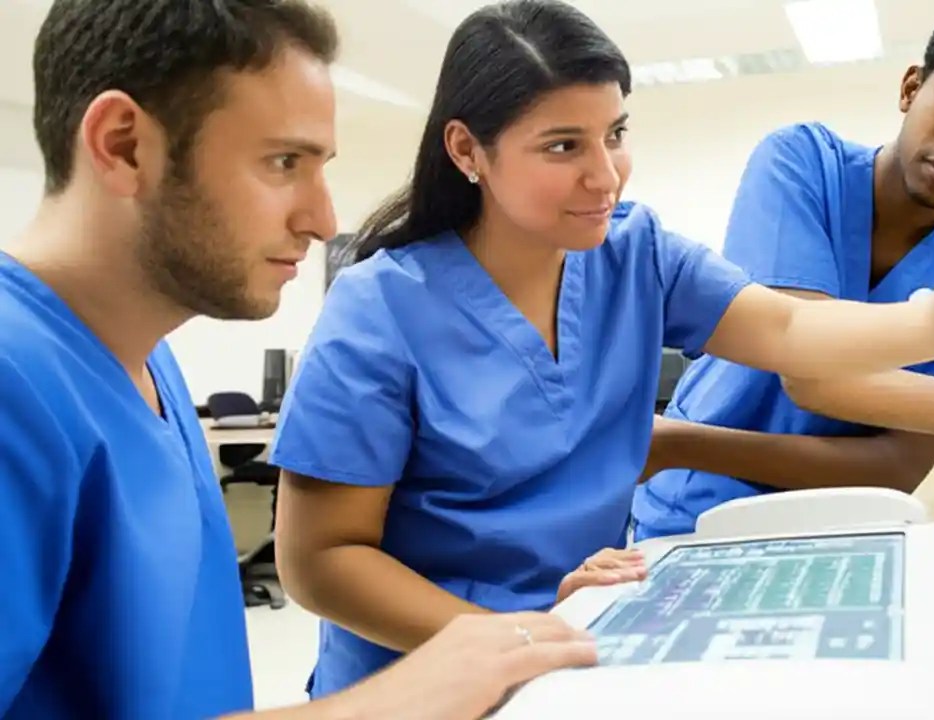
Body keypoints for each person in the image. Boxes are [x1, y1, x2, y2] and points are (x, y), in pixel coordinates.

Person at [268, 0, 934, 700]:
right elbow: (320, 559)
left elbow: (791, 329)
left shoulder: (637, 253)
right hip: (418, 677)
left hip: (568, 639)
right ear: (466, 151)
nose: (606, 176)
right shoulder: (380, 307)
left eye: (614, 134)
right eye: (563, 147)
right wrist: (505, 637)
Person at [0, 2, 598, 718]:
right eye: (284, 162)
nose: (321, 221)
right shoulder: (15, 385)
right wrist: (388, 702)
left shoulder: (145, 367)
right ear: (125, 145)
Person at [631, 0, 934, 542]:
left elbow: (896, 467)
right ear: (911, 88)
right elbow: (810, 371)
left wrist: (680, 443)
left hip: (833, 536)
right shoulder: (801, 163)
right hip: (688, 517)